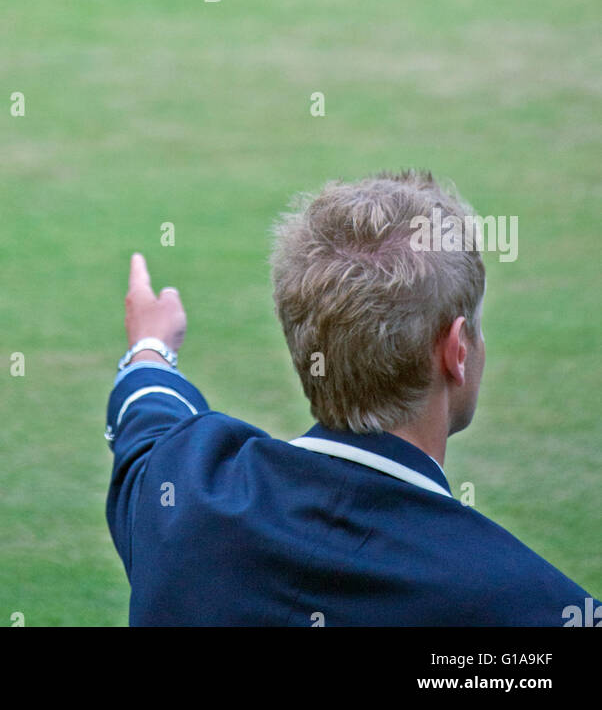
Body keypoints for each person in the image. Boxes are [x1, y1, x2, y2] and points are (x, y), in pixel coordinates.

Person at [104, 169, 598, 626]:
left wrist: (151, 346)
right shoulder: (532, 604)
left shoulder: (180, 498)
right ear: (458, 350)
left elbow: (147, 423)